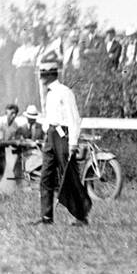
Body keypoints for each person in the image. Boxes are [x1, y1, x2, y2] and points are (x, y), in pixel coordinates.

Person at [29, 56, 90, 226]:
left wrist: (73, 143)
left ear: (48, 76)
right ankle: (46, 217)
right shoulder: (48, 94)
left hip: (63, 136)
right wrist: (46, 132)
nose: (41, 79)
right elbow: (50, 118)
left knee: (69, 176)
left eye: (42, 75)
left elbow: (74, 119)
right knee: (46, 176)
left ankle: (81, 216)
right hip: (51, 135)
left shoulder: (64, 92)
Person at [0, 103, 28, 192]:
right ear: (6, 112)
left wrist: (21, 141)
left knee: (1, 170)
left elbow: (16, 137)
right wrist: (14, 142)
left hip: (2, 148)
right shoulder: (0, 123)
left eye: (15, 113)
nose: (13, 115)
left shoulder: (15, 125)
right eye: (11, 113)